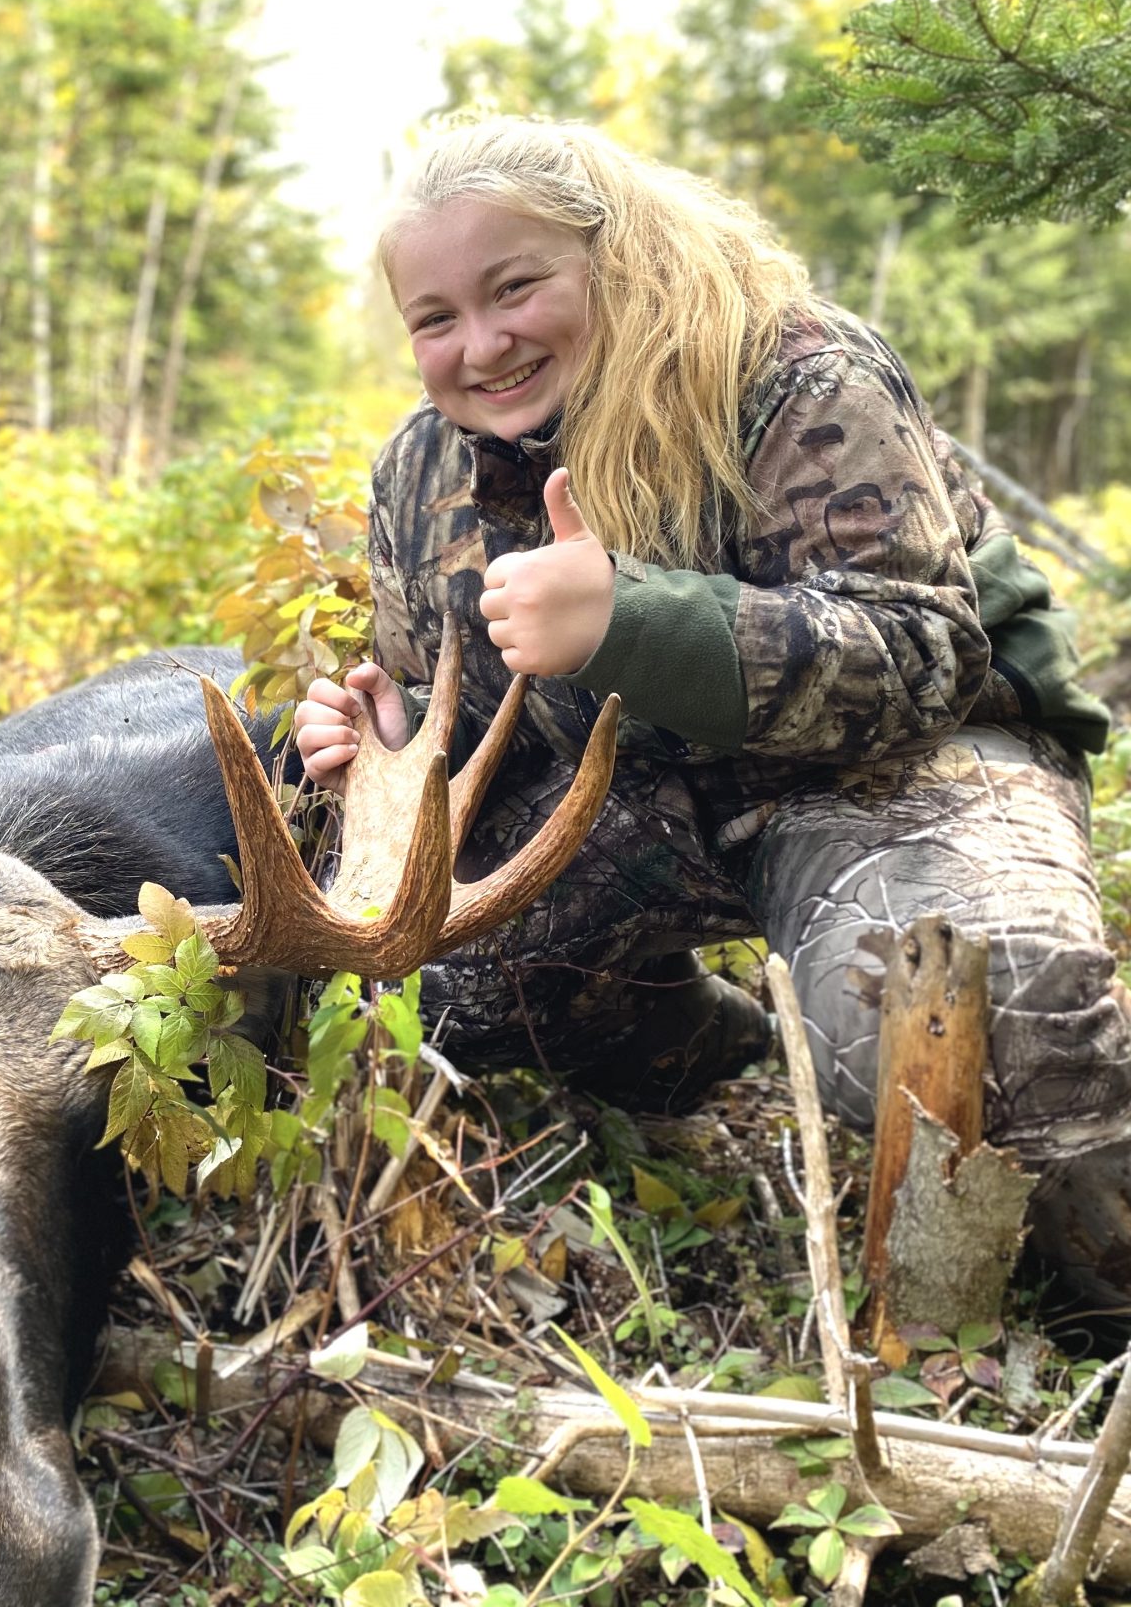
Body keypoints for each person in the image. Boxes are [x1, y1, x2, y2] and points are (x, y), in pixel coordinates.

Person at [296, 117, 1131, 1323]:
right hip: (636, 805)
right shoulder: (419, 473)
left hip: (891, 773)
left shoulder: (793, 374)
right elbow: (471, 720)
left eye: (514, 287)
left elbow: (922, 655)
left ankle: (1099, 1315)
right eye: (434, 318)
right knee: (426, 1004)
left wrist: (628, 621)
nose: (479, 346)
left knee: (973, 1026)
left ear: (610, 256)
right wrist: (386, 734)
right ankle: (708, 1045)